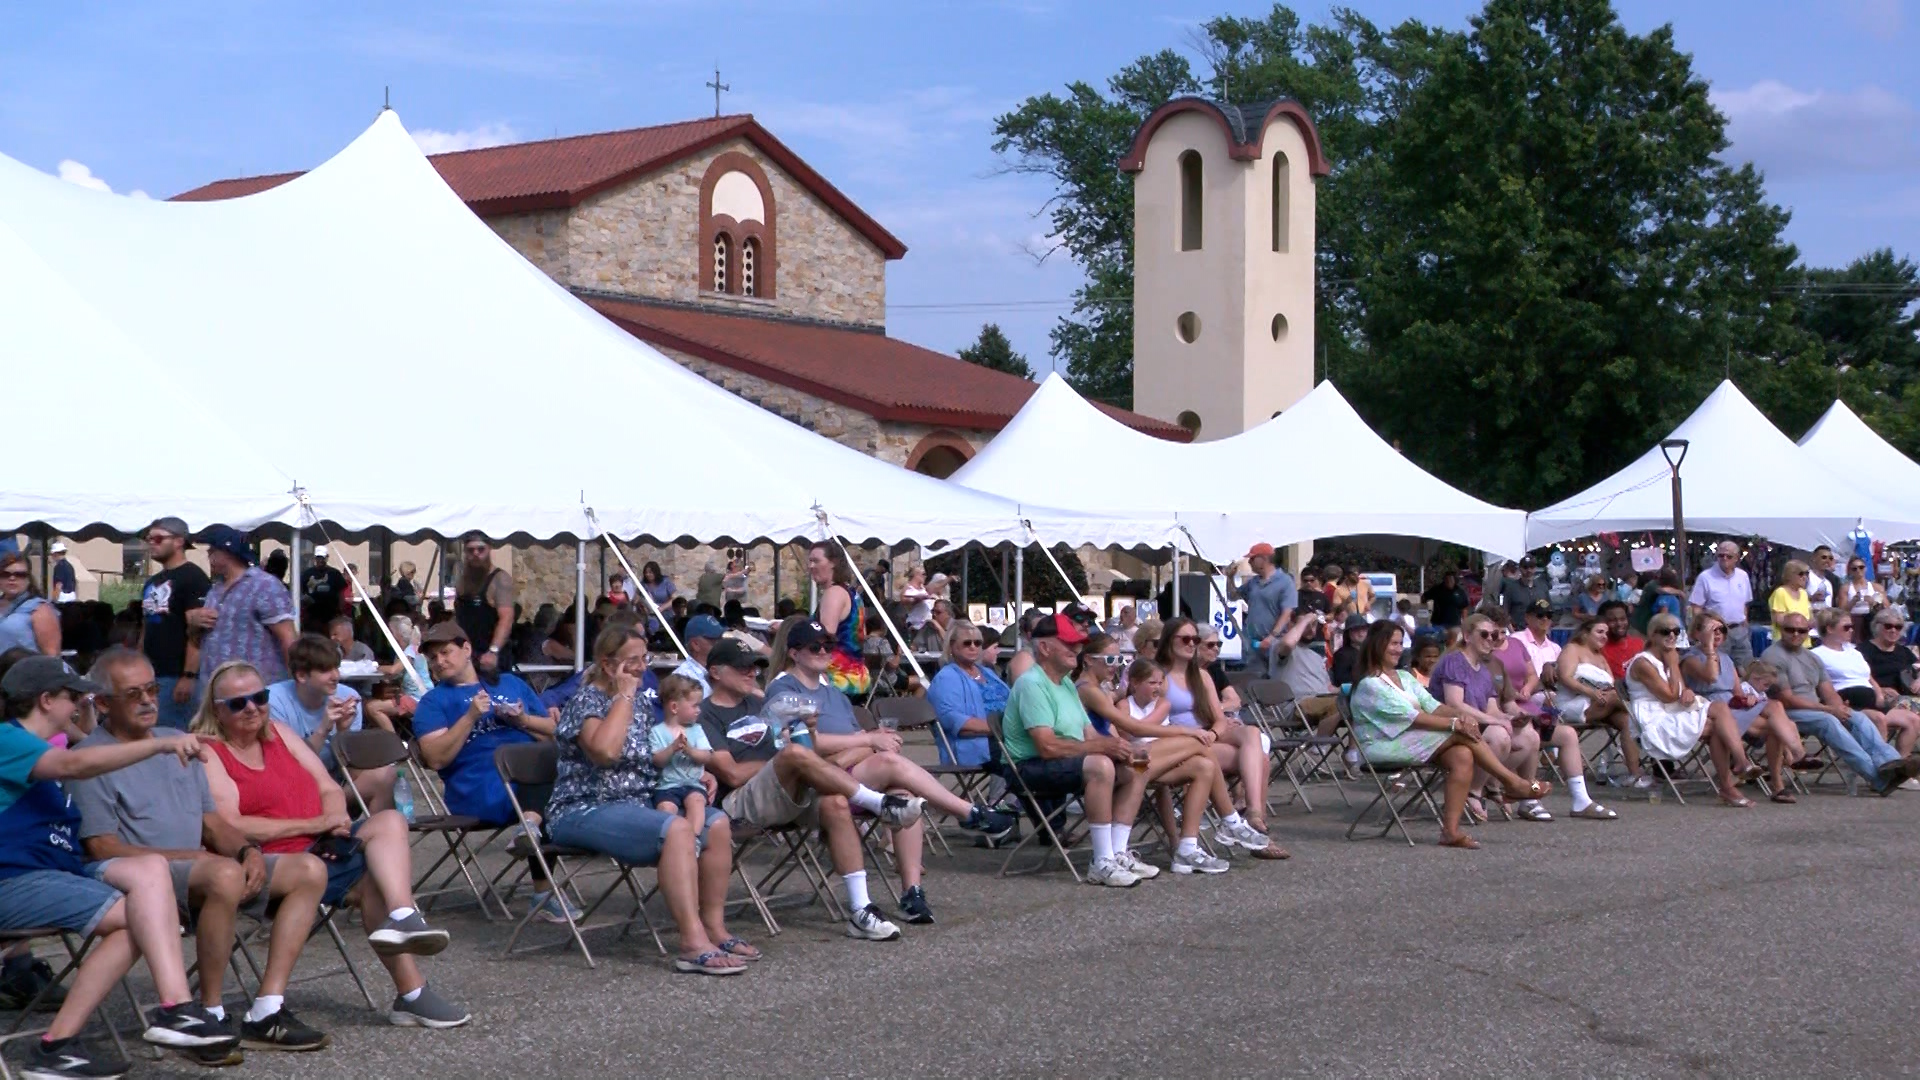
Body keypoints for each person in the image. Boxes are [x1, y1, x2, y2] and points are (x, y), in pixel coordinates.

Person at [73, 648, 331, 1059]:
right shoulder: (90, 759)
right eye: (133, 693)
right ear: (102, 703)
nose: (148, 701)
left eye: (152, 689)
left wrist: (247, 851)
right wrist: (198, 859)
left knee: (308, 870)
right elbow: (102, 847)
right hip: (133, 874)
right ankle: (208, 1014)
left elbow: (212, 822)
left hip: (196, 869)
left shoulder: (178, 742)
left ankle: (266, 1010)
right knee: (223, 875)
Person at [1, 655, 244, 1078]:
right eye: (72, 696)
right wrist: (160, 744)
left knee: (150, 873)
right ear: (45, 700)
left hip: (57, 875)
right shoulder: (7, 739)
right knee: (141, 917)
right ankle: (57, 1047)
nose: (80, 704)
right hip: (14, 882)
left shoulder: (41, 746)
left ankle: (174, 1009)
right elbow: (74, 765)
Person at [191, 661, 469, 1025]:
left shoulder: (278, 733)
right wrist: (315, 823)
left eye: (259, 698)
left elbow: (325, 785)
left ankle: (404, 917)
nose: (252, 708)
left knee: (388, 822)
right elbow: (232, 824)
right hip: (268, 863)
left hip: (319, 845)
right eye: (238, 703)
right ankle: (410, 993)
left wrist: (335, 820)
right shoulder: (212, 752)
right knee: (370, 881)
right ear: (216, 709)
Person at [546, 624, 754, 973]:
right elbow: (605, 752)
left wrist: (692, 770)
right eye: (633, 661)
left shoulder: (642, 704)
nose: (643, 667)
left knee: (716, 823)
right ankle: (691, 941)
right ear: (608, 664)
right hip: (584, 807)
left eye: (645, 658)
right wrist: (624, 697)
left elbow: (652, 753)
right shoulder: (587, 700)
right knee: (675, 829)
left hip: (638, 803)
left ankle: (714, 927)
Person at [696, 640, 935, 935]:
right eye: (742, 667)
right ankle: (878, 803)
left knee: (835, 802)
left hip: (790, 791)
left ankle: (861, 910)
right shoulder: (704, 715)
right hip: (741, 803)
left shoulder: (762, 705)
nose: (752, 673)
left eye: (755, 667)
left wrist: (807, 729)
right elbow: (731, 773)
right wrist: (783, 762)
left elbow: (803, 747)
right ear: (716, 672)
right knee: (794, 755)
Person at [764, 618, 1015, 870]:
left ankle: (912, 892)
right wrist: (868, 741)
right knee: (888, 760)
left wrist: (863, 745)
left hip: (851, 770)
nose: (824, 652)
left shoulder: (833, 693)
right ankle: (969, 812)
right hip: (816, 785)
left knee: (906, 800)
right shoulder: (784, 689)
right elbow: (801, 746)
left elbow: (856, 737)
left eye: (828, 646)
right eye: (814, 647)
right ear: (794, 653)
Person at [410, 622, 569, 922]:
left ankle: (531, 830)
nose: (439, 662)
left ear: (467, 649)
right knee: (544, 776)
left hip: (527, 778)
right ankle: (543, 890)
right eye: (433, 658)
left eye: (445, 652)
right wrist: (469, 717)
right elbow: (435, 758)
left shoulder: (508, 683)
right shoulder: (433, 702)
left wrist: (522, 720)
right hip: (478, 790)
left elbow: (553, 733)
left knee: (552, 762)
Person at [1348, 623, 1550, 849]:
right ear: (1377, 645)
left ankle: (1450, 831)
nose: (1398, 649)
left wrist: (1459, 716)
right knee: (1459, 735)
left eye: (1399, 643)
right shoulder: (1370, 685)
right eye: (1393, 643)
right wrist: (1455, 724)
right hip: (1383, 745)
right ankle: (1512, 782)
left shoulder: (1404, 677)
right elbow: (1414, 717)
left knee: (1461, 753)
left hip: (1414, 739)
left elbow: (1433, 706)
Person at [999, 613, 1149, 886]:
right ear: (1045, 648)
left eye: (1078, 644)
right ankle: (1101, 861)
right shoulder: (1032, 684)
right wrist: (1103, 747)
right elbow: (1046, 746)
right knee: (1101, 766)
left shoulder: (1066, 683)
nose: (1077, 650)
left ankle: (1117, 852)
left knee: (1136, 767)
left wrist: (1119, 749)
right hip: (1028, 766)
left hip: (1062, 759)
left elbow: (1088, 733)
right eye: (1069, 644)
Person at [1089, 653, 1247, 874]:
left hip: (1155, 762)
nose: (1157, 687)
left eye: (1161, 682)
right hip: (1135, 761)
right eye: (1151, 682)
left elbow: (1140, 728)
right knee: (1196, 743)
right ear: (1134, 683)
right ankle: (1230, 819)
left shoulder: (1161, 703)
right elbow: (1134, 730)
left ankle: (1187, 847)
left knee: (1205, 767)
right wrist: (1183, 732)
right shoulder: (1123, 704)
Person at [1146, 623, 1283, 860]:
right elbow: (1150, 720)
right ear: (1169, 641)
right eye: (1185, 639)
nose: (1192, 644)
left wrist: (1214, 734)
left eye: (1195, 640)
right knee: (1258, 757)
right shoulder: (1159, 676)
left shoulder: (1202, 676)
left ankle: (1253, 814)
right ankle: (1251, 831)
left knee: (1251, 733)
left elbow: (1219, 720)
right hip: (1178, 742)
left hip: (1205, 735)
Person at [1760, 612, 1920, 795]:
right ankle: (1878, 778)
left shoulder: (1811, 657)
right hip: (1789, 712)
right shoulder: (1773, 656)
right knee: (1829, 722)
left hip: (1817, 709)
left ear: (1808, 632)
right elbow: (1787, 699)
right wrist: (1829, 709)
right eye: (1790, 630)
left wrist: (1839, 707)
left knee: (1857, 717)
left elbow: (1828, 690)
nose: (1796, 634)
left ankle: (1893, 764)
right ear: (1781, 630)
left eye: (1801, 630)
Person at [1430, 613, 1547, 822]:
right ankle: (1474, 792)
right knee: (1498, 734)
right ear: (1467, 636)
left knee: (1530, 736)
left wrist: (1514, 717)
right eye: (1484, 634)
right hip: (1452, 728)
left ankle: (1494, 786)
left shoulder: (1483, 669)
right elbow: (1454, 703)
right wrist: (1495, 721)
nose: (1491, 639)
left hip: (1476, 728)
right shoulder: (1454, 661)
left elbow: (1492, 709)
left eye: (1494, 635)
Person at [1629, 612, 1753, 806]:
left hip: (1673, 710)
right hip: (1653, 718)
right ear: (1652, 635)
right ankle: (1730, 782)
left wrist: (1686, 689)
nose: (1672, 636)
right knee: (1717, 728)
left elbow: (1678, 689)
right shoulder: (1642, 663)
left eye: (1676, 631)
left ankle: (1739, 766)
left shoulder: (1671, 656)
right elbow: (1669, 695)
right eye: (1665, 632)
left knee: (1719, 710)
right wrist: (1673, 664)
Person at [266, 633, 396, 813]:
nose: (335, 676)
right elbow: (287, 769)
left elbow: (353, 774)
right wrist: (323, 730)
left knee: (385, 774)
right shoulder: (273, 701)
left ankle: (374, 835)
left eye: (336, 667)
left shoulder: (347, 697)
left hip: (334, 791)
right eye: (325, 670)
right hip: (290, 794)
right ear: (302, 676)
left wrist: (344, 733)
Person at [1681, 611, 1803, 802]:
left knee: (1775, 706)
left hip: (1733, 707)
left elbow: (1737, 693)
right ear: (1697, 633)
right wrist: (1708, 648)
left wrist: (1747, 699)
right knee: (1774, 726)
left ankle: (1793, 760)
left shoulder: (1727, 659)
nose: (1718, 633)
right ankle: (1787, 771)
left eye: (1721, 629)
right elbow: (1711, 677)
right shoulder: (1691, 658)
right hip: (1712, 710)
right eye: (1712, 630)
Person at [191, 526, 297, 686]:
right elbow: (198, 639)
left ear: (227, 552)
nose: (208, 554)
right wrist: (194, 623)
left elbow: (288, 638)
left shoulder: (265, 586)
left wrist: (295, 684)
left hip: (256, 693)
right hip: (216, 692)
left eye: (212, 550)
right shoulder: (215, 590)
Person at [1811, 609, 1920, 758]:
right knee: (1878, 719)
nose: (1851, 630)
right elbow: (1820, 686)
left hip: (1871, 702)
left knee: (1913, 720)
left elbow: (1867, 676)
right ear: (1829, 629)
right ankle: (1882, 766)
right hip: (1848, 705)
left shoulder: (1853, 652)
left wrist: (1878, 693)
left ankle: (1900, 765)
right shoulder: (1817, 655)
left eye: (1852, 627)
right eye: (1846, 627)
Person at [137, 517, 211, 730]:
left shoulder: (193, 577)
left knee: (172, 736)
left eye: (158, 538)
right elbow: (146, 626)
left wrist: (188, 675)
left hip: (176, 675)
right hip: (152, 675)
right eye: (148, 538)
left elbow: (197, 632)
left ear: (179, 541)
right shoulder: (152, 581)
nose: (151, 543)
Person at [1560, 609, 1646, 788]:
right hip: (1575, 704)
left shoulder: (1600, 657)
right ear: (1585, 633)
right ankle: (1648, 713)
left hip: (1604, 703)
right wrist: (1590, 693)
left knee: (1627, 721)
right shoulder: (1573, 649)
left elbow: (1611, 684)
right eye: (1600, 632)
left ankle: (1634, 775)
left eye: (1606, 633)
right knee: (1619, 700)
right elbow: (1565, 677)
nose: (1605, 636)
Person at [925, 620, 1005, 768]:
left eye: (978, 643)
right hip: (977, 745)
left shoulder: (988, 672)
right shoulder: (946, 678)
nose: (973, 647)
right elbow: (953, 721)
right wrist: (1005, 728)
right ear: (951, 646)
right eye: (967, 643)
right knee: (1027, 756)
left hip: (1006, 737)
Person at [648, 675, 715, 847]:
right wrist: (672, 749)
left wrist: (690, 751)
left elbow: (707, 756)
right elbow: (657, 761)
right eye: (695, 706)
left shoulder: (697, 730)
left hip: (693, 783)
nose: (699, 710)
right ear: (674, 707)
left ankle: (693, 840)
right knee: (666, 808)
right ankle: (667, 842)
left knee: (697, 802)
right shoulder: (657, 732)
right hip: (667, 785)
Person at [805, 542, 871, 696]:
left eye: (816, 561)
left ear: (833, 562)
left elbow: (824, 639)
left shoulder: (833, 593)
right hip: (858, 676)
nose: (810, 566)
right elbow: (862, 634)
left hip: (837, 679)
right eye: (810, 561)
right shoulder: (852, 594)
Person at [1690, 541, 1757, 672]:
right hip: (1717, 632)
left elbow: (1744, 603)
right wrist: (1703, 630)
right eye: (1721, 556)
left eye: (1729, 556)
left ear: (1737, 558)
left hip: (1739, 629)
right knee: (1720, 670)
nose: (1724, 559)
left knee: (1747, 669)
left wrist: (1745, 624)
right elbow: (1696, 607)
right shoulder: (1705, 577)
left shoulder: (1742, 576)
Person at [453, 533, 514, 677]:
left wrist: (493, 651)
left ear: (489, 549)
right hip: (467, 657)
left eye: (480, 549)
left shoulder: (500, 579)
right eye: (470, 550)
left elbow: (506, 618)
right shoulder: (463, 580)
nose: (475, 554)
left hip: (491, 660)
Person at [1235, 543, 1297, 680]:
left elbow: (1287, 613)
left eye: (1252, 559)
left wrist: (1272, 637)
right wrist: (1229, 578)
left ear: (1263, 559)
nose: (1249, 562)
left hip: (1275, 643)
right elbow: (1233, 596)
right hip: (1253, 643)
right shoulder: (1253, 582)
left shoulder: (1285, 581)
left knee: (1276, 681)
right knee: (1253, 680)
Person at [0, 550, 58, 656]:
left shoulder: (39, 609)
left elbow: (52, 656)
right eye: (5, 574)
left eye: (20, 574)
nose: (12, 578)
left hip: (24, 670)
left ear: (28, 579)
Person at [670, 614, 727, 695]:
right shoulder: (682, 678)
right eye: (714, 639)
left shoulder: (724, 671)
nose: (720, 643)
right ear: (695, 645)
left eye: (721, 638)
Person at [299, 547, 348, 633]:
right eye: (318, 557)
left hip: (331, 614)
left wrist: (341, 611)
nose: (321, 560)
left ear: (327, 557)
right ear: (315, 558)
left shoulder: (334, 573)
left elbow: (341, 593)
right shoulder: (307, 574)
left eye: (323, 557)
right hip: (312, 615)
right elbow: (300, 593)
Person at [1841, 555, 1887, 640]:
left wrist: (1874, 603)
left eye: (1861, 567)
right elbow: (1841, 610)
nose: (1858, 570)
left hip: (1872, 620)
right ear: (1850, 571)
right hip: (1854, 621)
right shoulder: (1846, 588)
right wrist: (1852, 602)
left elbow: (1886, 608)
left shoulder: (1876, 587)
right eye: (1854, 569)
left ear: (1865, 568)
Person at [1494, 557, 1550, 627]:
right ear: (1520, 568)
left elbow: (1549, 610)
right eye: (1525, 567)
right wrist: (1512, 633)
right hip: (1519, 630)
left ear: (1535, 568)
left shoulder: (1542, 587)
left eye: (1531, 567)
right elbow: (1505, 613)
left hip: (1539, 630)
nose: (1528, 570)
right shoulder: (1511, 588)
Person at [1768, 560, 1815, 639]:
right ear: (1790, 575)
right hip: (1785, 643)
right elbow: (1779, 620)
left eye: (1807, 574)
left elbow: (1810, 617)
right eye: (1801, 574)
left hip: (1804, 642)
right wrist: (1803, 625)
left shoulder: (1804, 593)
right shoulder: (1780, 593)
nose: (1805, 577)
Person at [1329, 614, 1369, 688]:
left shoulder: (1371, 652)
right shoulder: (1342, 655)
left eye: (1364, 629)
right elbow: (1343, 681)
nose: (1361, 634)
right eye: (1356, 630)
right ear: (1349, 633)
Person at [638, 561, 675, 634]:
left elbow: (673, 598)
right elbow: (637, 599)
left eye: (650, 572)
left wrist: (661, 608)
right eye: (646, 573)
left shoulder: (666, 582)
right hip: (648, 613)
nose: (648, 575)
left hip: (665, 612)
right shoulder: (643, 584)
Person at [900, 567, 934, 631]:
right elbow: (904, 601)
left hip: (925, 622)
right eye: (924, 574)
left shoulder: (922, 587)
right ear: (916, 575)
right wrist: (918, 599)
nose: (926, 576)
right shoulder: (908, 587)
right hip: (915, 624)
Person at [1808, 545, 1840, 612]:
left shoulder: (1829, 583)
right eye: (1824, 557)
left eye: (1830, 558)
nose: (1827, 561)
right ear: (1814, 558)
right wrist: (1812, 598)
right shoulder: (1806, 576)